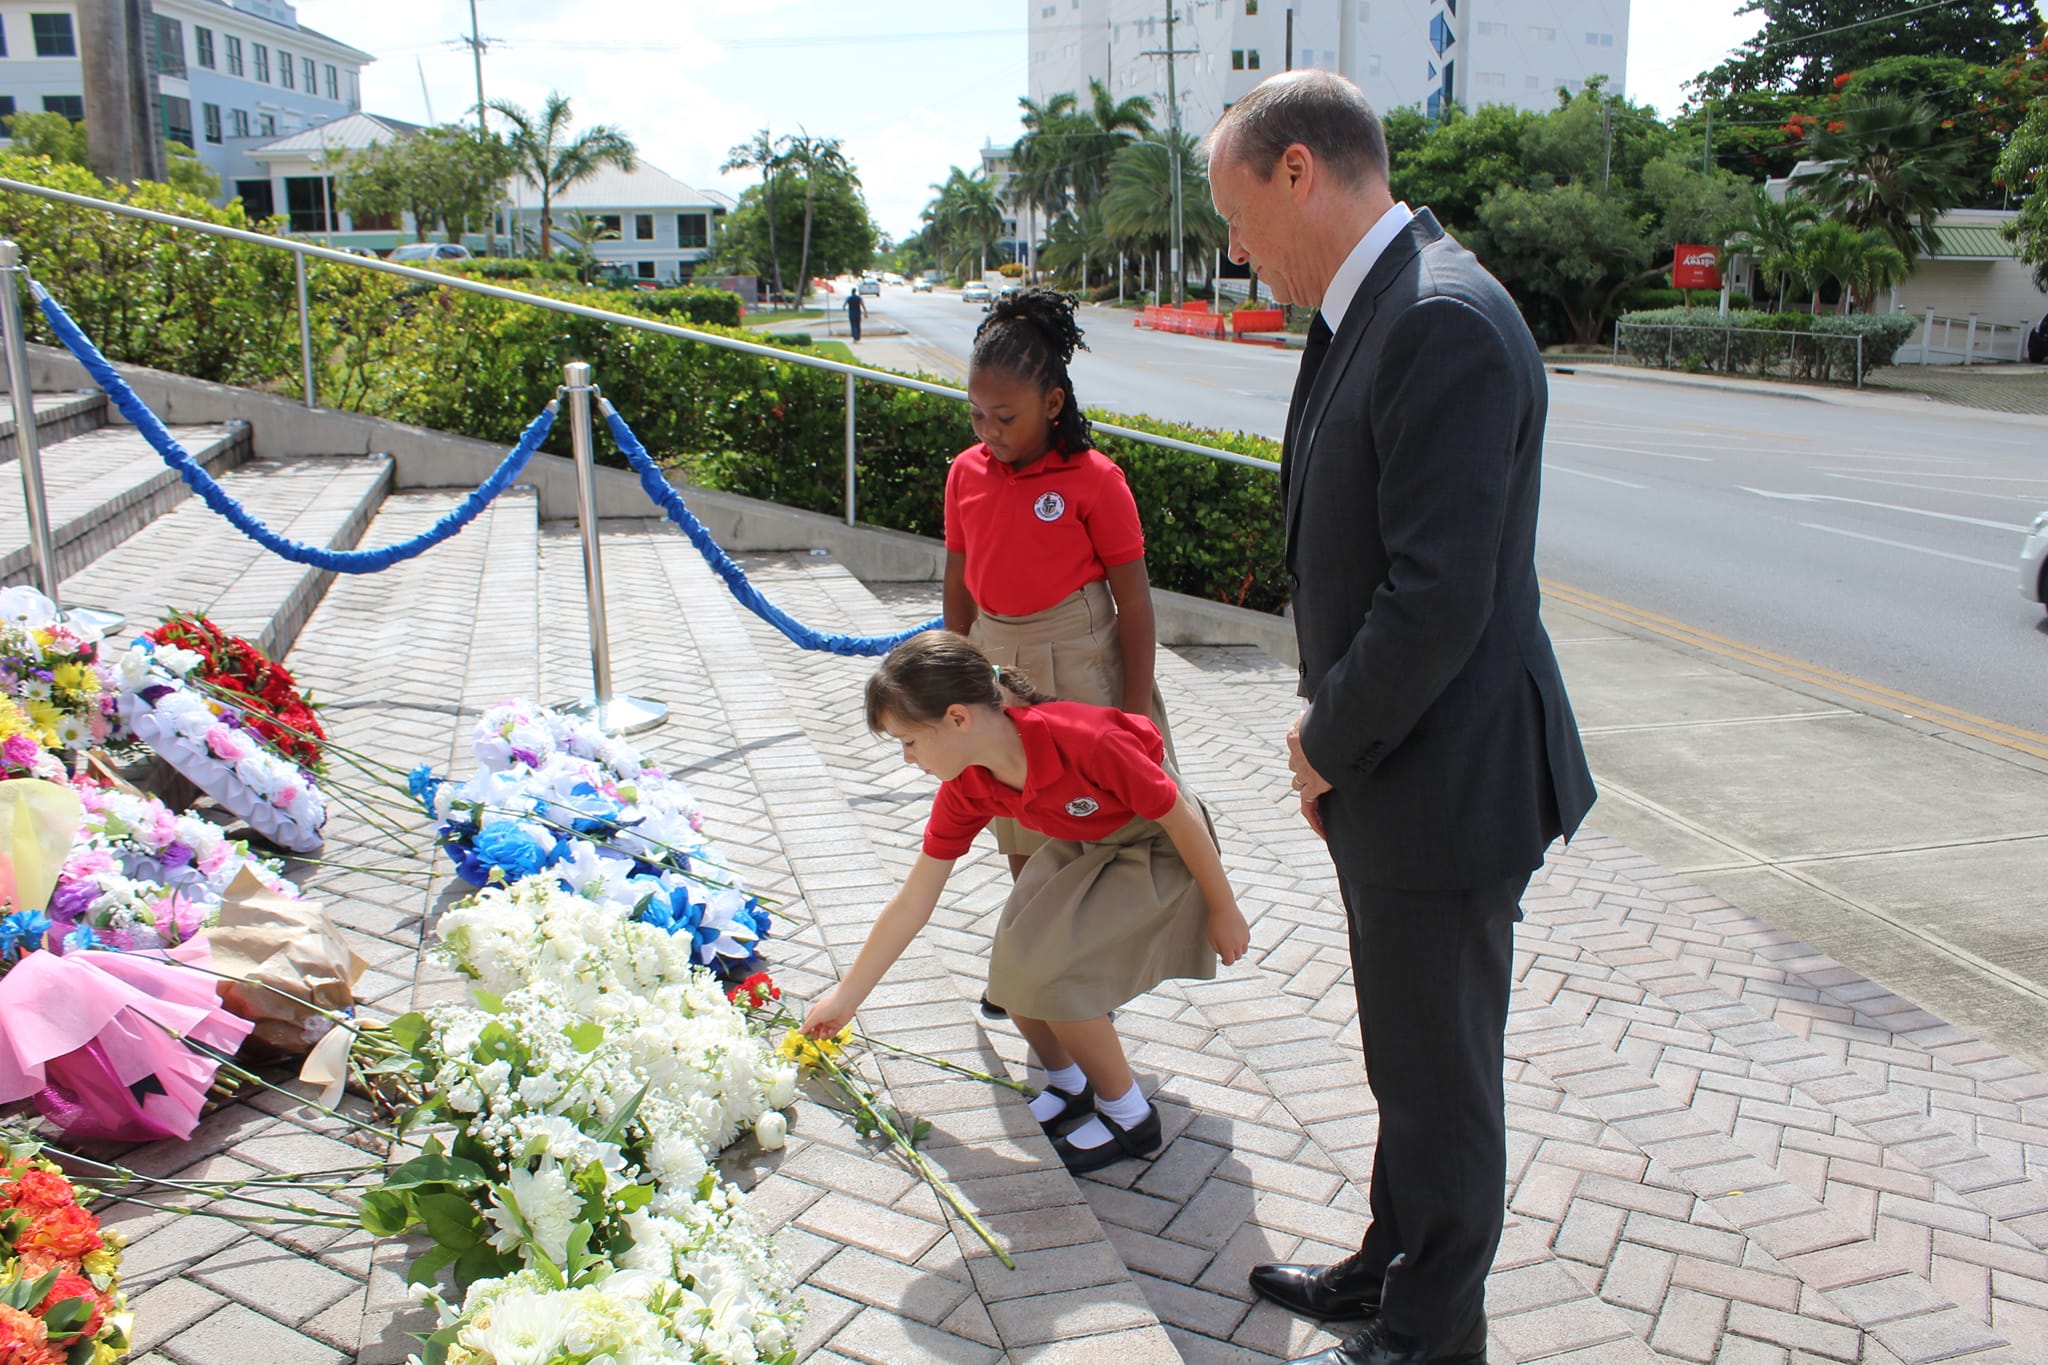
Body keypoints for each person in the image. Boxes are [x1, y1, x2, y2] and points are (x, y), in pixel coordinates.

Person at [1204, 71, 1596, 1365]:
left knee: (1444, 1081)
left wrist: (1323, 740)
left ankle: (1435, 1332)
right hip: (1395, 769)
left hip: (1449, 776)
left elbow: (1438, 597)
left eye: (1239, 215)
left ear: (1299, 171)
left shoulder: (1440, 321)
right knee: (1407, 1061)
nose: (1235, 248)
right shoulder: (1365, 309)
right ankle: (1391, 1265)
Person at [800, 631, 1251, 1172]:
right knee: (1012, 969)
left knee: (1059, 977)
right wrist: (846, 1000)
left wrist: (1223, 907)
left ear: (958, 719)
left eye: (910, 741)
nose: (908, 757)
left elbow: (1180, 815)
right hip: (1088, 844)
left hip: (1159, 844)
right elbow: (916, 898)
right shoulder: (967, 783)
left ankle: (1130, 1117)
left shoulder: (1084, 739)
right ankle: (1070, 1081)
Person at [946, 287, 1176, 1018]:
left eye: (1005, 417)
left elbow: (1134, 604)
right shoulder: (966, 473)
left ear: (1052, 402)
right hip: (995, 664)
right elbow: (957, 575)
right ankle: (1028, 963)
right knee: (1016, 822)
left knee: (1081, 831)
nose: (989, 431)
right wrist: (955, 665)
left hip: (1078, 669)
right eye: (977, 413)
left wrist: (1134, 718)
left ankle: (1075, 977)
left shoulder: (1096, 481)